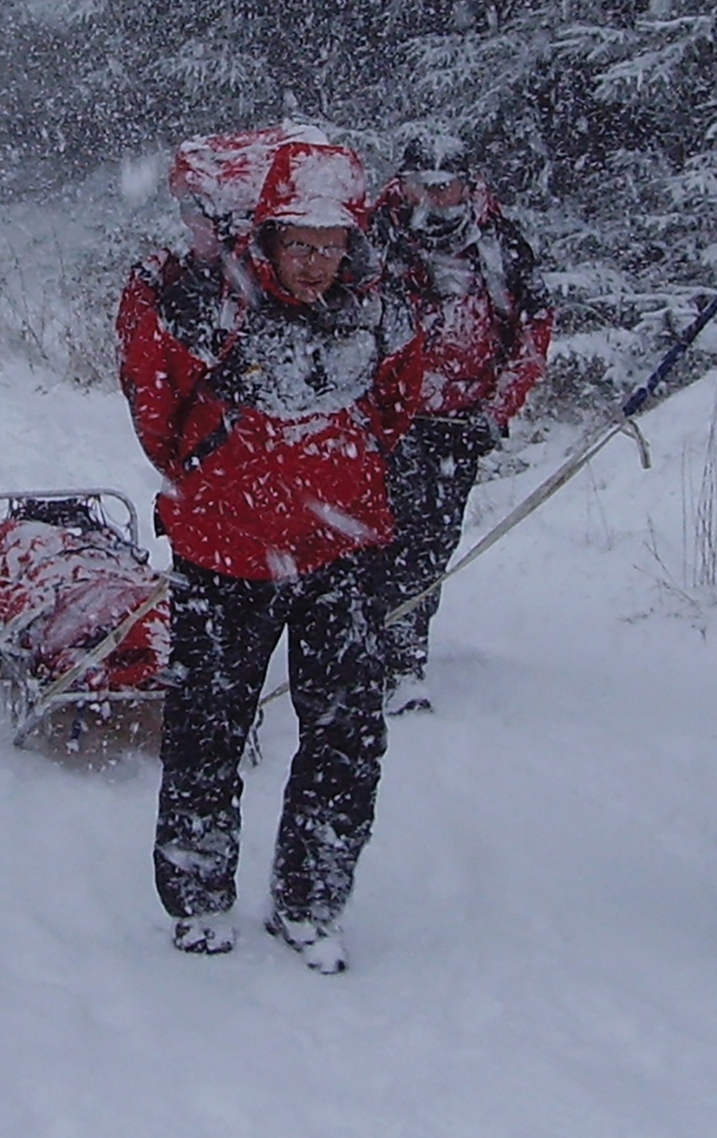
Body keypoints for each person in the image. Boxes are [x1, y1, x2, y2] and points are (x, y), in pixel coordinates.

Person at [117, 140, 422, 973]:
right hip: (222, 554)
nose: (316, 263)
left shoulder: (382, 307)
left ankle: (311, 901)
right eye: (299, 244)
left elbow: (395, 403)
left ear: (353, 240)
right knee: (206, 731)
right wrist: (225, 479)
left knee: (348, 734)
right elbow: (157, 411)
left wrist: (337, 482)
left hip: (339, 552)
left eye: (331, 244)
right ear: (267, 235)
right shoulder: (201, 304)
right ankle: (199, 900)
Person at [370, 134, 553, 714]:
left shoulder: (498, 242)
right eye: (420, 185)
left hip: (459, 422)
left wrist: (497, 410)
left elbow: (533, 328)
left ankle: (404, 652)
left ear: (467, 186)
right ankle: (375, 650)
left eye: (444, 186)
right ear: (402, 185)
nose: (432, 197)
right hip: (383, 420)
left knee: (432, 541)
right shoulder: (373, 238)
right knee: (378, 536)